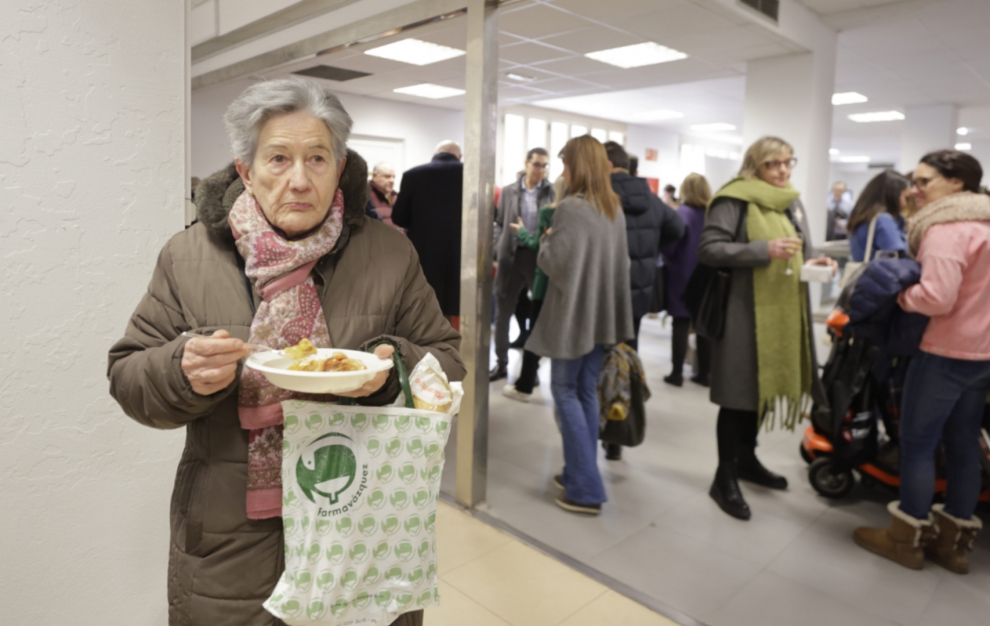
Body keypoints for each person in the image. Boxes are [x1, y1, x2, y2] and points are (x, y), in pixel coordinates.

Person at [107, 78, 464, 626]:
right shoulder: (188, 256)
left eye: (317, 158)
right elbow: (129, 375)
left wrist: (389, 373)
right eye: (278, 159)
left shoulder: (390, 252)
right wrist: (181, 373)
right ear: (247, 170)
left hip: (361, 525)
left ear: (340, 165)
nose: (299, 180)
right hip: (230, 536)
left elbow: (447, 359)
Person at [855, 150, 989, 573]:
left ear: (957, 184)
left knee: (918, 444)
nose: (914, 190)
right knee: (964, 442)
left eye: (925, 181)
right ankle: (952, 546)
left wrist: (899, 296)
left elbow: (936, 297)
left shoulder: (946, 230)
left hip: (944, 353)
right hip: (983, 354)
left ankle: (905, 541)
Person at [698, 136, 836, 521]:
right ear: (754, 166)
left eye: (788, 163)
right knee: (737, 394)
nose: (783, 171)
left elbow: (801, 249)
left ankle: (747, 459)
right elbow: (709, 249)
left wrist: (817, 260)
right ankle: (723, 476)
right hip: (743, 312)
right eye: (774, 164)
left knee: (762, 390)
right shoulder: (734, 199)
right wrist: (762, 251)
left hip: (784, 313)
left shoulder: (791, 199)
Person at [526, 136, 634, 515]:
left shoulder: (571, 208)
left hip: (574, 317)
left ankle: (586, 488)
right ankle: (578, 472)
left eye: (566, 165)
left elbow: (557, 265)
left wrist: (545, 242)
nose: (561, 172)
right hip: (603, 315)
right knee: (585, 392)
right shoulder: (613, 208)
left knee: (565, 391)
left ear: (579, 167)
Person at [603, 141, 684, 460]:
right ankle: (618, 436)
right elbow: (677, 229)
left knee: (597, 362)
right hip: (636, 293)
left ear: (607, 165)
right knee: (626, 359)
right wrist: (650, 253)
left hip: (605, 292)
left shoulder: (600, 195)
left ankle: (597, 425)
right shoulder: (651, 199)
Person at [490, 148, 555, 381]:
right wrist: (498, 246)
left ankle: (531, 370)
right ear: (526, 163)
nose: (541, 170)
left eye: (545, 165)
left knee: (539, 315)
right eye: (537, 164)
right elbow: (498, 222)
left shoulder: (551, 192)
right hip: (511, 257)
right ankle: (501, 364)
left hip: (538, 258)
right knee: (503, 313)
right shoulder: (509, 191)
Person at [502, 176, 567, 403]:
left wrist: (521, 232)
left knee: (535, 334)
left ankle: (525, 385)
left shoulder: (549, 213)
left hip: (545, 283)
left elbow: (537, 246)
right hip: (568, 286)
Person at [392, 140, 464, 325]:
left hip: (425, 254)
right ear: (459, 157)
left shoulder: (413, 175)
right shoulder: (470, 174)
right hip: (462, 255)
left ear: (434, 155)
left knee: (426, 309)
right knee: (457, 308)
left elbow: (399, 217)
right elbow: (491, 215)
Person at [662, 173, 713, 387]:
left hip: (681, 274)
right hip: (707, 276)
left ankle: (676, 373)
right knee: (703, 325)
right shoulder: (713, 216)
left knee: (680, 324)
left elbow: (671, 244)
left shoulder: (681, 214)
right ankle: (704, 374)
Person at [845, 170, 910, 262]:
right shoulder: (884, 220)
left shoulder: (861, 217)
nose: (905, 204)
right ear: (892, 196)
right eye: (905, 198)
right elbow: (901, 259)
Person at [366, 161, 402, 231]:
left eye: (393, 177)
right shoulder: (366, 196)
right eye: (387, 176)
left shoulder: (395, 198)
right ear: (375, 176)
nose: (392, 180)